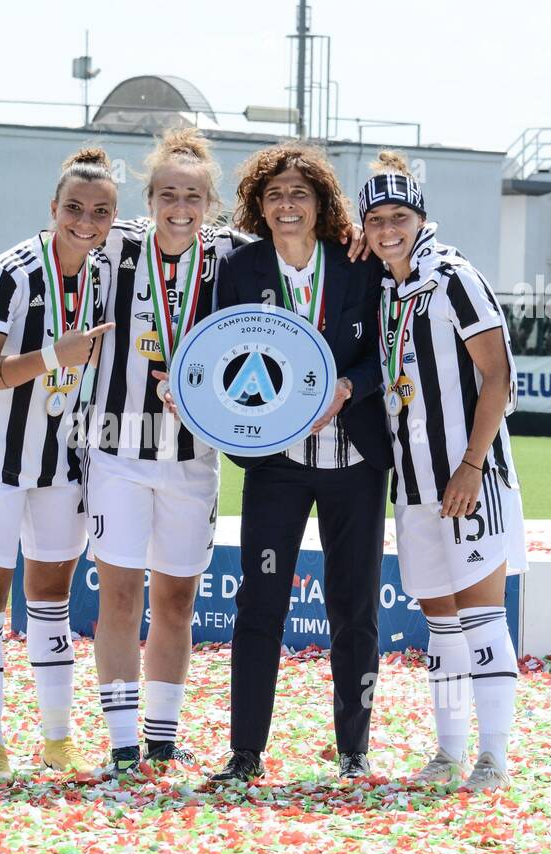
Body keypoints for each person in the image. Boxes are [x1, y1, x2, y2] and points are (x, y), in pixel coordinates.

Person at [204, 143, 391, 785]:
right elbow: (224, 356)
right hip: (274, 463)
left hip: (355, 461)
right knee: (260, 606)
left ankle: (353, 752)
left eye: (299, 194)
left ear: (321, 204)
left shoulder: (357, 264)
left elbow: (379, 360)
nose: (287, 204)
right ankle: (245, 754)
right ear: (259, 205)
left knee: (355, 606)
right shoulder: (238, 267)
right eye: (275, 194)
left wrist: (348, 389)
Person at [358, 151, 527, 791]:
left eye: (397, 216)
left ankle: (494, 755)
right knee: (441, 623)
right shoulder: (386, 288)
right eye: (374, 219)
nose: (386, 229)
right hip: (416, 483)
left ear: (421, 217)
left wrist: (470, 464)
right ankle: (449, 751)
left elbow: (498, 376)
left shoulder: (454, 276)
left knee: (482, 616)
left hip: (468, 476)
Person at [0, 147, 118, 780]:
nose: (85, 221)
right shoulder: (12, 271)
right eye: (73, 208)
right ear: (53, 210)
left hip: (62, 461)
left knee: (50, 595)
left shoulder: (106, 275)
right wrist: (54, 355)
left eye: (100, 212)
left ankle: (57, 738)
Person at [84, 127, 248, 776]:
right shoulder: (117, 244)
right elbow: (60, 244)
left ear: (210, 205)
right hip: (116, 453)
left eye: (194, 196)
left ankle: (162, 738)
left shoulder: (233, 256)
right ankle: (123, 744)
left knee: (177, 601)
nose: (180, 207)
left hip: (192, 459)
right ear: (149, 198)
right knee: (120, 598)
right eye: (168, 194)